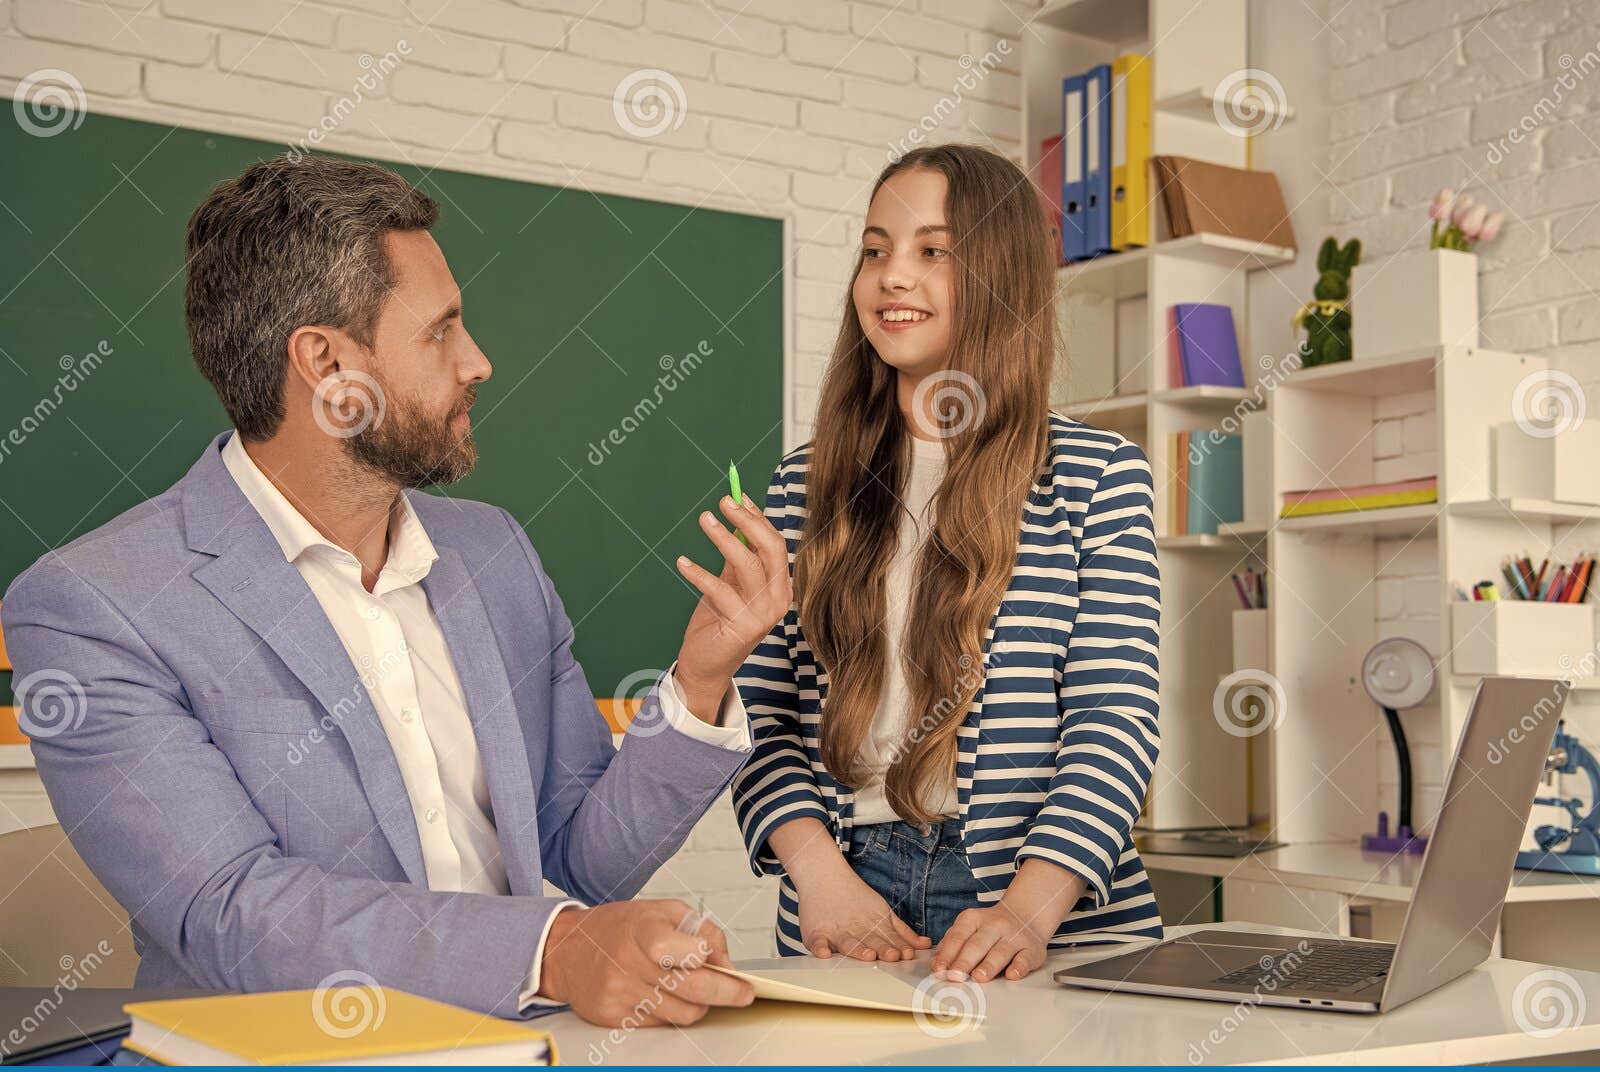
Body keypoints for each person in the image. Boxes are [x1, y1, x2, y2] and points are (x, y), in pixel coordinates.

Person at [2, 155, 792, 1027]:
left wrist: (702, 678)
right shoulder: (93, 608)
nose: (479, 361)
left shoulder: (494, 553)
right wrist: (557, 951)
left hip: (529, 1058)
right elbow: (232, 913)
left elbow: (581, 863)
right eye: (440, 331)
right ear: (327, 365)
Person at [733, 144, 1163, 984]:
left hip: (1050, 900)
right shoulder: (802, 484)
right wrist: (819, 880)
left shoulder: (1097, 475)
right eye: (874, 249)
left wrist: (1026, 910)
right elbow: (761, 718)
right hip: (847, 892)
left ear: (1000, 274)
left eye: (934, 251)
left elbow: (1116, 721)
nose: (893, 276)